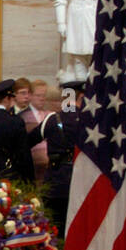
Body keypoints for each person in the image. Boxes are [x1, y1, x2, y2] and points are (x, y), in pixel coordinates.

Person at [27, 80, 84, 235]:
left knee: (54, 228)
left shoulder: (52, 119)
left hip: (55, 181)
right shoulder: (88, 121)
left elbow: (29, 141)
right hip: (81, 181)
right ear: (81, 97)